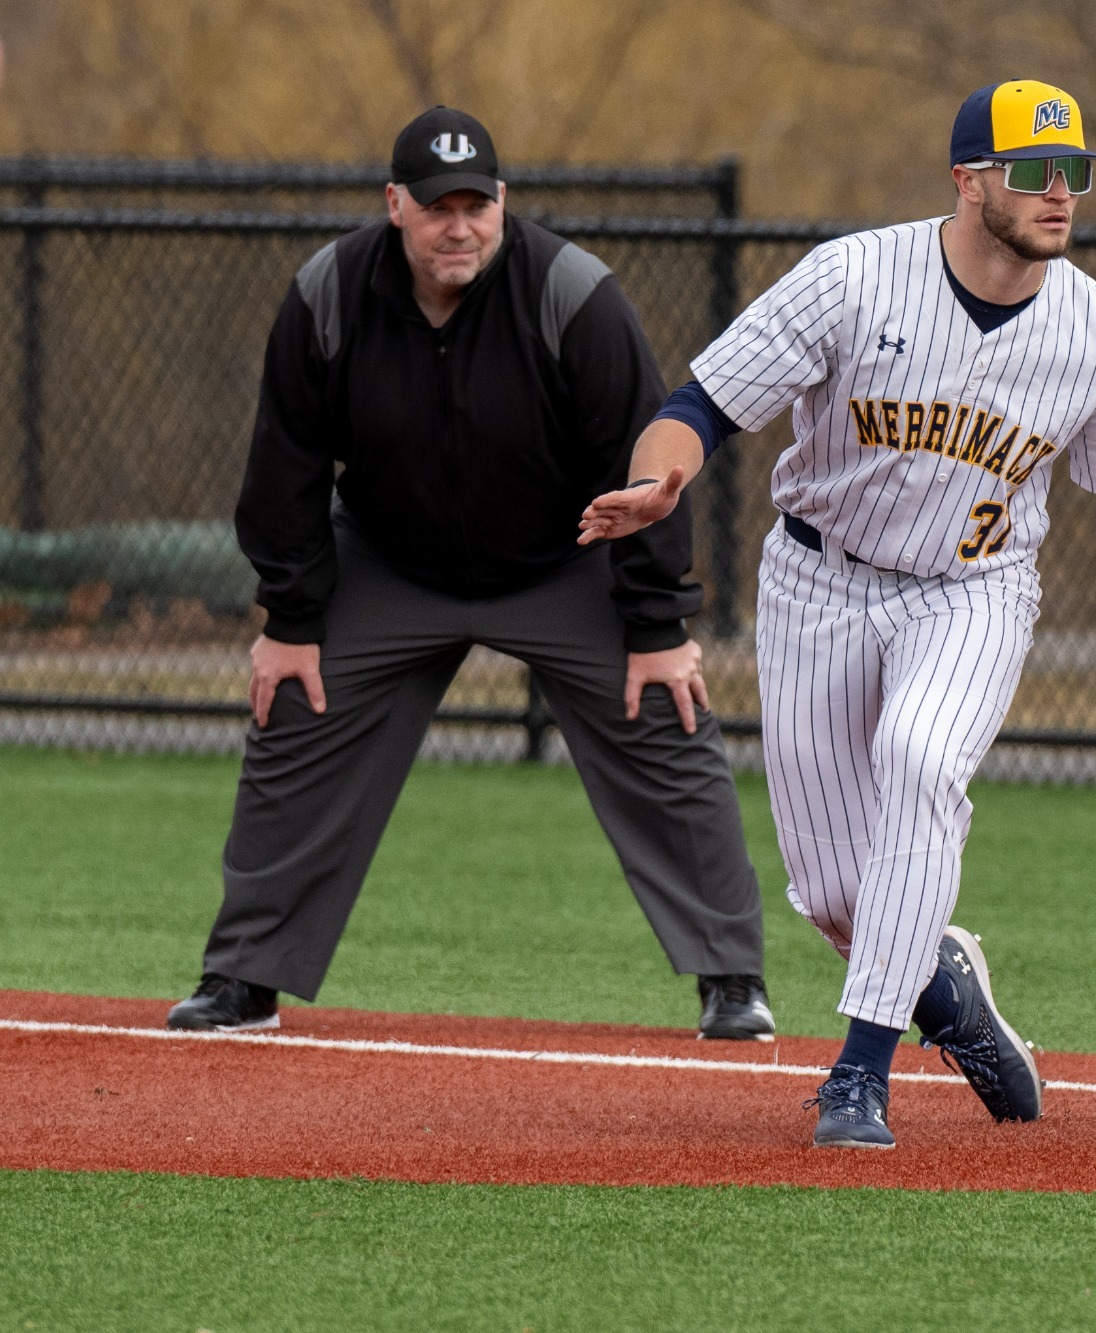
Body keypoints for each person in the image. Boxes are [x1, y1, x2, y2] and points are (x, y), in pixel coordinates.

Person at [580, 80, 1096, 1146]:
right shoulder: (855, 278)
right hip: (819, 580)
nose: (1057, 192)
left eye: (1072, 172)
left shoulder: (1093, 324)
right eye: (1032, 169)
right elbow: (700, 405)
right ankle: (947, 993)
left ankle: (859, 1076)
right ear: (967, 178)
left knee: (920, 762)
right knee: (830, 893)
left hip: (972, 587)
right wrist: (663, 481)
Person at [166, 107, 772, 1041]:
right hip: (389, 558)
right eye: (436, 205)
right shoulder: (329, 292)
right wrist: (291, 617)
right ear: (394, 205)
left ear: (503, 203)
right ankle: (244, 977)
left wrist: (657, 624)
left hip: (564, 552)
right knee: (293, 704)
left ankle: (731, 980)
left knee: (666, 709)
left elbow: (647, 463)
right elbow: (283, 465)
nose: (458, 226)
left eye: (475, 205)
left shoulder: (573, 293)